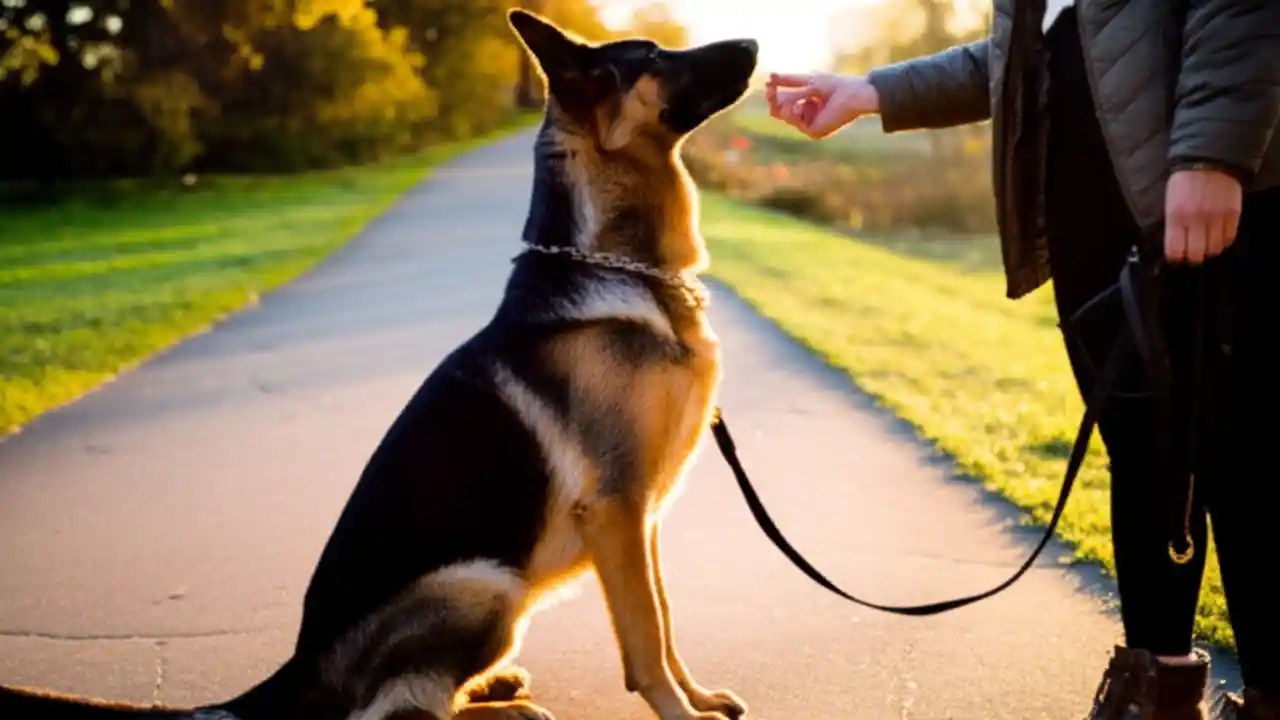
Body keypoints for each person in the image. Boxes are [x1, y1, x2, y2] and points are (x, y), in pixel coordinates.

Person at [765, 1, 1279, 718]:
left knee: (1241, 456)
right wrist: (870, 92)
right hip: (1096, 222)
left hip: (1196, 197)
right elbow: (1013, 56)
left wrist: (1212, 156)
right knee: (1140, 453)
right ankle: (1156, 690)